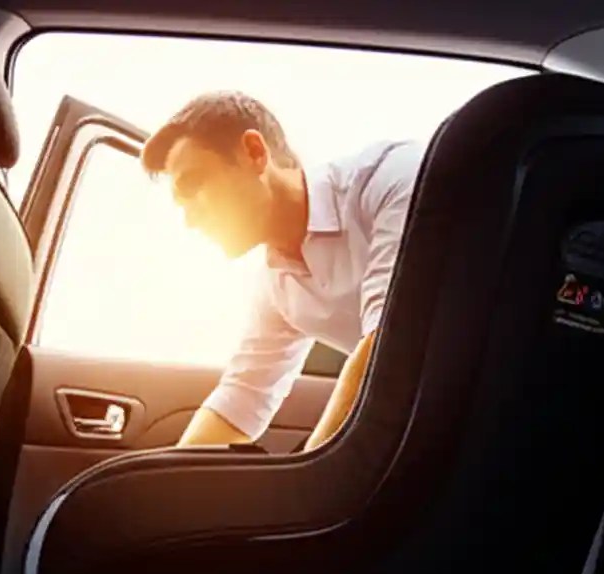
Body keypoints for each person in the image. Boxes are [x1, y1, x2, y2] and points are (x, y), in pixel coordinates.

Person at [141, 91, 425, 451]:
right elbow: (240, 400)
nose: (190, 220)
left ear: (255, 153)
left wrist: (310, 475)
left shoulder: (390, 179)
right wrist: (167, 487)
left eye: (194, 184)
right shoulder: (275, 287)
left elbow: (387, 345)